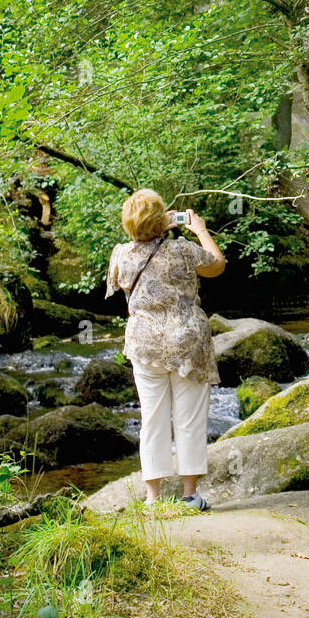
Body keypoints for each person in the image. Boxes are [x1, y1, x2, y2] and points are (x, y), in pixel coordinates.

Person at [106, 188, 225, 510]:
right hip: (187, 341)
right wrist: (199, 229)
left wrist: (153, 230)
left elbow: (120, 283)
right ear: (162, 219)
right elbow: (216, 265)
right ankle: (189, 496)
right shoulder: (183, 250)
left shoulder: (120, 254)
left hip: (145, 344)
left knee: (153, 418)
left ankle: (153, 498)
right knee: (189, 419)